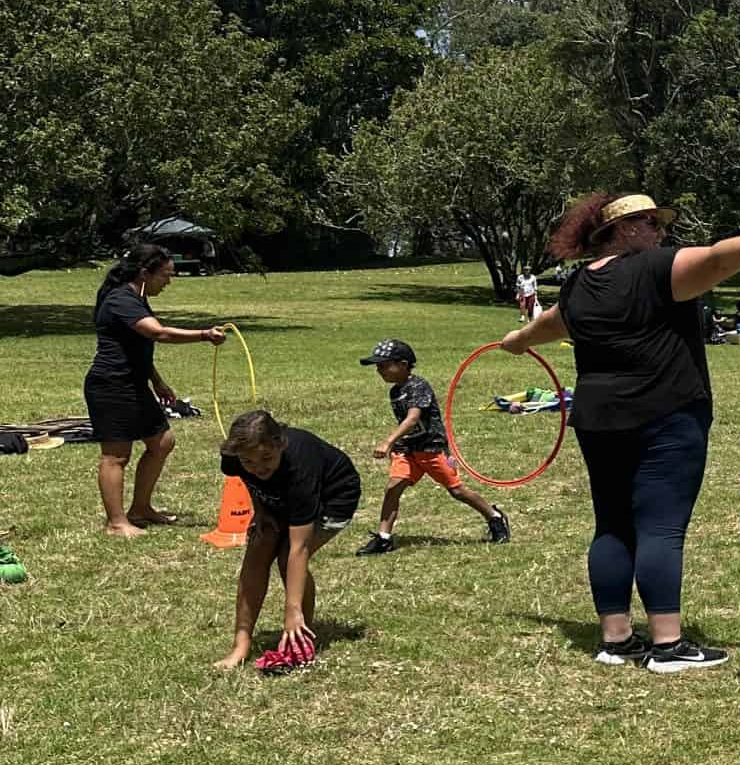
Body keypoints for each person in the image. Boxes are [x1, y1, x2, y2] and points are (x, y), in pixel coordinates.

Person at [503, 190, 740, 672]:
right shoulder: (658, 269)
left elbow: (550, 325)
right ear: (626, 230)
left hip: (598, 420)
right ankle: (667, 644)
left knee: (613, 525)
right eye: (653, 224)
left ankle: (616, 640)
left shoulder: (578, 286)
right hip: (667, 412)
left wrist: (517, 341)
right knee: (660, 527)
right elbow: (719, 259)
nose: (662, 234)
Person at [87, 245, 226, 538]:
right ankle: (116, 522)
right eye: (165, 275)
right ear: (144, 273)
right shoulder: (120, 299)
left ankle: (140, 509)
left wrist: (157, 381)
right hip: (111, 385)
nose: (168, 281)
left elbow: (134, 347)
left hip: (134, 383)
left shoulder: (137, 298)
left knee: (162, 442)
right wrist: (203, 334)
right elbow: (156, 333)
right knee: (116, 456)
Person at [215, 407, 362, 674]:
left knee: (286, 558)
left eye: (266, 458)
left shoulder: (300, 467)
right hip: (277, 497)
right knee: (258, 548)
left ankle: (301, 637)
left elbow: (299, 548)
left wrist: (291, 610)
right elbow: (248, 479)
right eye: (249, 462)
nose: (258, 468)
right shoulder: (234, 456)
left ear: (279, 443)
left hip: (334, 497)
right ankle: (241, 644)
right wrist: (260, 511)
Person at [353, 338, 510, 555]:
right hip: (407, 450)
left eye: (384, 365)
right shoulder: (395, 391)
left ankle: (494, 517)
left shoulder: (419, 386)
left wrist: (388, 441)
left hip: (431, 448)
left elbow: (412, 419)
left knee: (457, 491)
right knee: (392, 489)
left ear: (404, 364)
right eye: (377, 366)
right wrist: (398, 445)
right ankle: (384, 538)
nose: (379, 370)